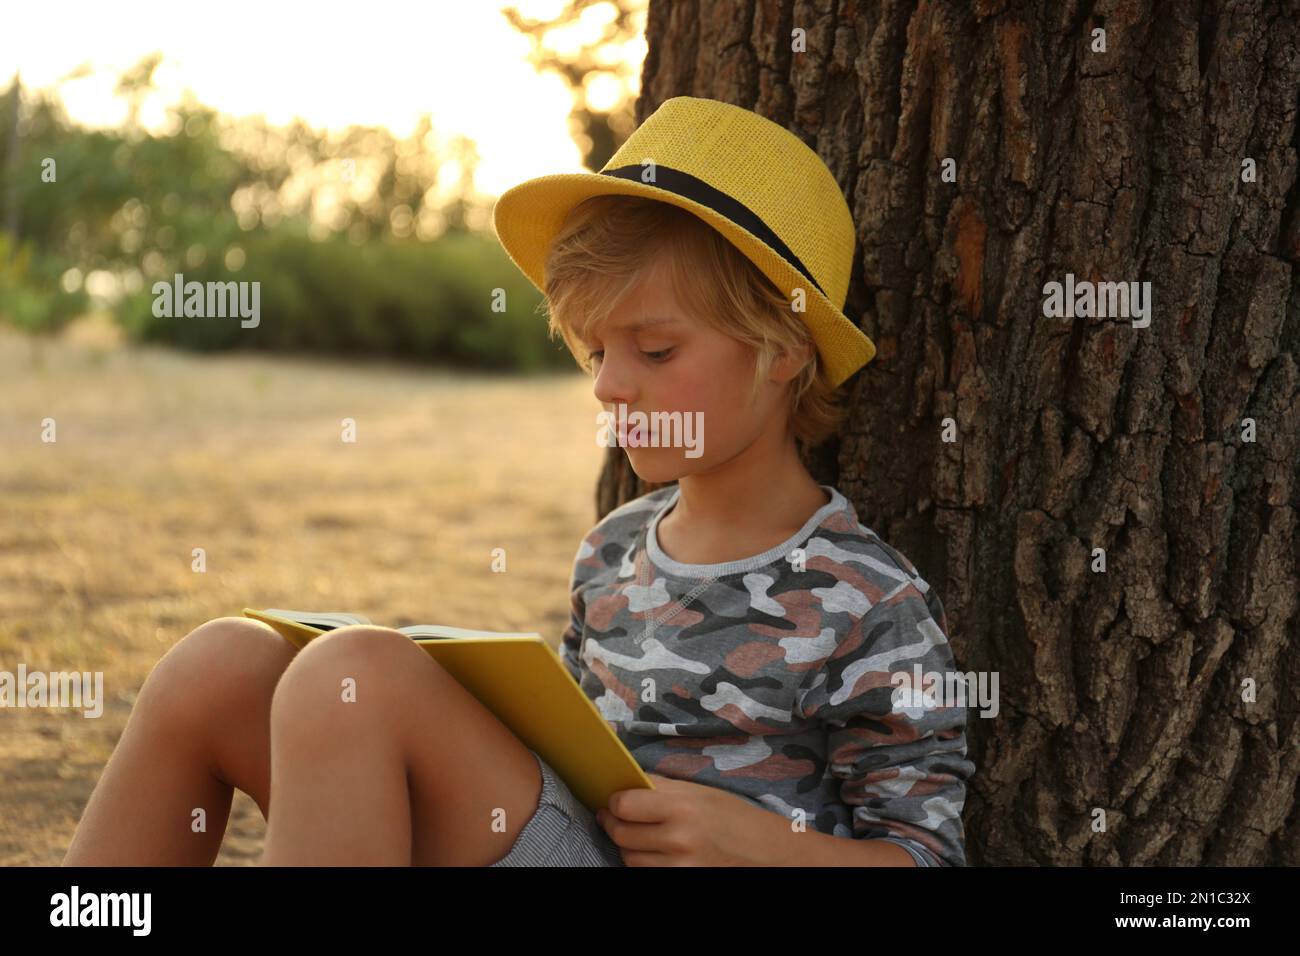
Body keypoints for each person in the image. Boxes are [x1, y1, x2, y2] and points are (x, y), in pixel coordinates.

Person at [63, 96, 974, 867]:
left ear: (782, 351)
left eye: (655, 349)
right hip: (561, 842)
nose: (612, 384)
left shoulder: (869, 599)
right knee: (219, 663)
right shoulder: (615, 548)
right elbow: (565, 772)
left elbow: (926, 856)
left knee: (355, 672)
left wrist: (747, 840)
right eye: (596, 351)